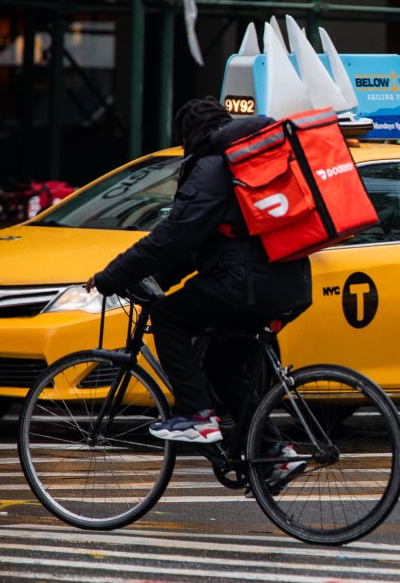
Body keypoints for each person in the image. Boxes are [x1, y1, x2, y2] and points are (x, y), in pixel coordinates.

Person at [87, 97, 313, 484]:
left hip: (247, 285)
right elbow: (209, 242)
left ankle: (196, 417)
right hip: (287, 284)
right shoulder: (240, 166)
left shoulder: (211, 166)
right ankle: (276, 452)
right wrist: (161, 280)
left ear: (187, 136)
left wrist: (112, 276)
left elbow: (175, 235)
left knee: (169, 317)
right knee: (221, 366)